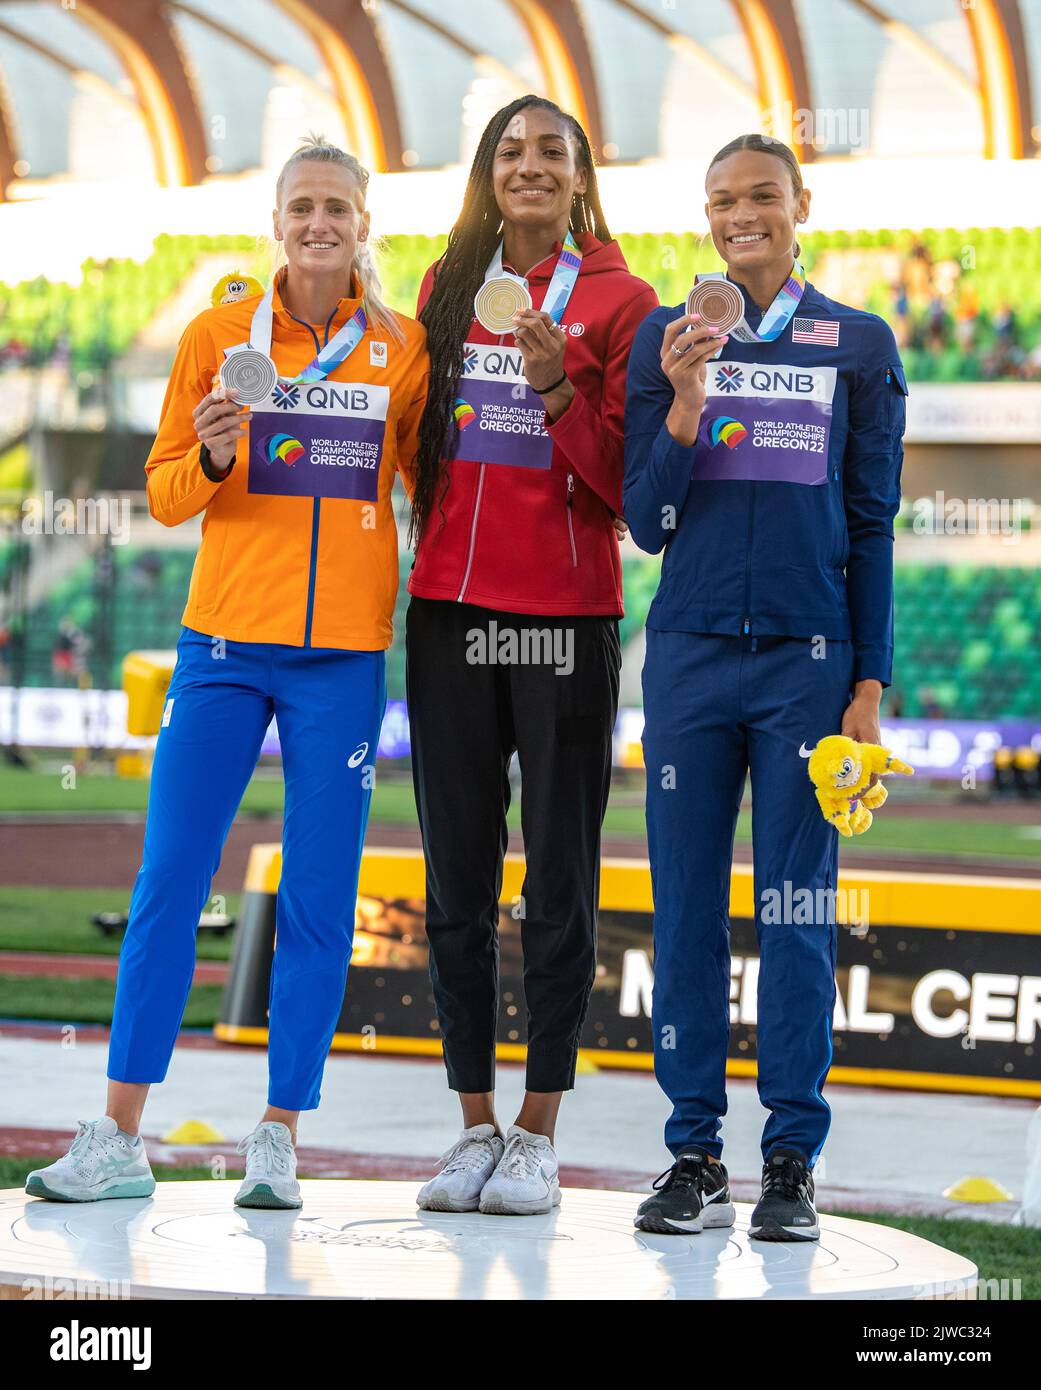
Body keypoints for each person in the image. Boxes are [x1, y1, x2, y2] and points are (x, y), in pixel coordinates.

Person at [26, 136, 429, 1210]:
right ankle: (119, 1135)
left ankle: (280, 1132)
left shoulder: (404, 346)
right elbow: (164, 494)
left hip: (341, 659)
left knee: (320, 894)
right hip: (219, 649)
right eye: (301, 206)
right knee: (169, 881)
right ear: (278, 220)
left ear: (362, 223)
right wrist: (208, 453)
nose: (317, 223)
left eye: (336, 207)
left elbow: (432, 487)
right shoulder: (215, 335)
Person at [624, 133, 906, 1240]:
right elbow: (647, 522)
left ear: (800, 206)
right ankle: (693, 1154)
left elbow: (874, 522)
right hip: (688, 657)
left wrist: (869, 682)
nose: (741, 216)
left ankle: (791, 1160)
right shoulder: (665, 338)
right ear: (706, 218)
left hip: (809, 667)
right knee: (686, 913)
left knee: (795, 916)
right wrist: (686, 406)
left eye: (761, 198)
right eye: (721, 201)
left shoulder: (860, 344)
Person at [406, 95, 658, 1215]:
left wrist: (558, 382)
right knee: (457, 878)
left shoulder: (626, 300)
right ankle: (471, 1125)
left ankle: (541, 1129)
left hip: (564, 617)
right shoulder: (444, 288)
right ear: (487, 172)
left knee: (557, 877)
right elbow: (424, 448)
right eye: (510, 150)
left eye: (550, 151)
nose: (529, 166)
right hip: (449, 610)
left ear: (579, 173)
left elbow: (620, 484)